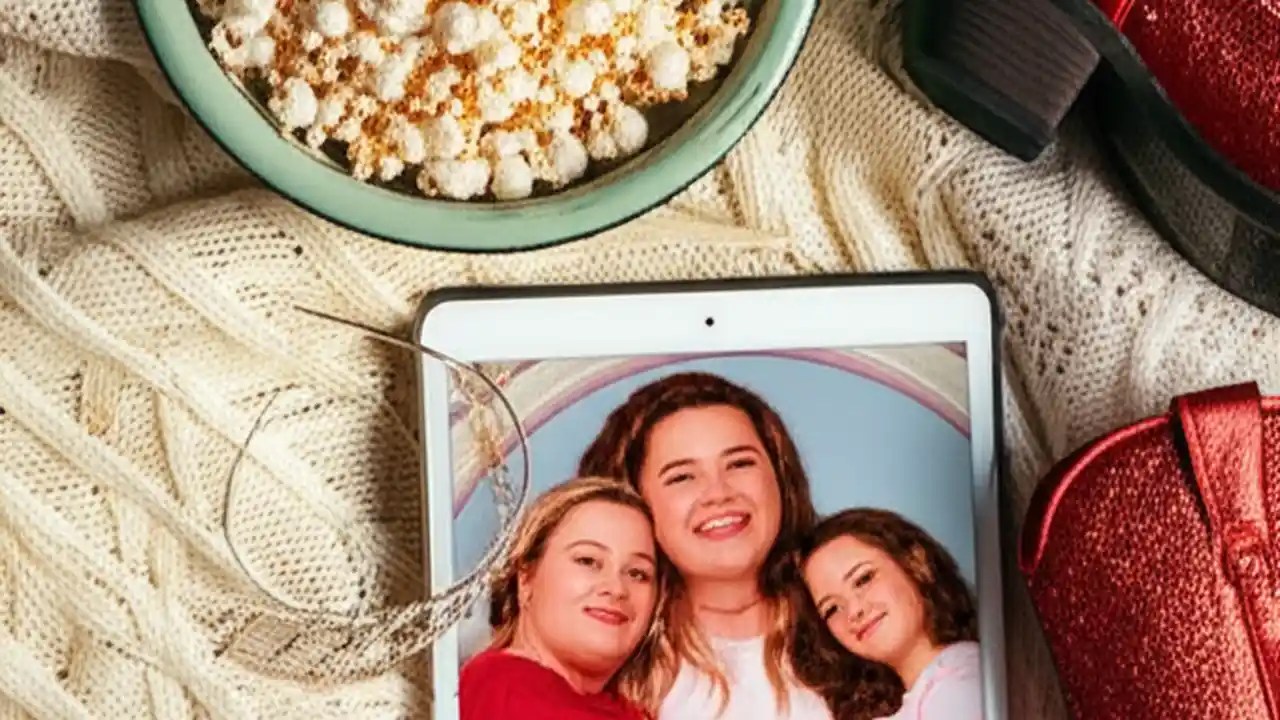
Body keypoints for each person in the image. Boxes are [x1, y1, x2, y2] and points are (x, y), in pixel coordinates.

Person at [578, 371, 832, 719]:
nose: (719, 493)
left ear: (780, 476)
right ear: (632, 502)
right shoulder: (605, 662)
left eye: (740, 463)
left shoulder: (856, 624)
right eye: (682, 477)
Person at [460, 476, 667, 720]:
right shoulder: (500, 689)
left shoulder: (627, 711)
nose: (617, 588)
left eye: (637, 573)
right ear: (526, 578)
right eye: (588, 561)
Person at [790, 508, 983, 720]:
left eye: (863, 579)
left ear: (917, 562)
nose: (854, 611)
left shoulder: (960, 682)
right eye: (832, 609)